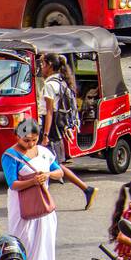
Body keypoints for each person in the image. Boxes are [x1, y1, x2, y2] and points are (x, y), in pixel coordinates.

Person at [2, 119, 64, 260]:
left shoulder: (44, 152)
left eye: (33, 141)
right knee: (25, 242)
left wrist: (48, 174)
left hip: (43, 207)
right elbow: (12, 183)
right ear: (18, 136)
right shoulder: (10, 155)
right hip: (22, 207)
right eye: (26, 140)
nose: (30, 144)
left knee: (45, 243)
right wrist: (32, 181)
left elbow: (59, 171)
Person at [39, 52, 96, 210]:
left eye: (43, 64)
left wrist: (45, 135)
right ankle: (86, 189)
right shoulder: (61, 81)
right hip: (56, 128)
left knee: (50, 165)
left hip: (49, 128)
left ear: (50, 65)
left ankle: (85, 189)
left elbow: (49, 112)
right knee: (52, 164)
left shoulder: (50, 85)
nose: (41, 68)